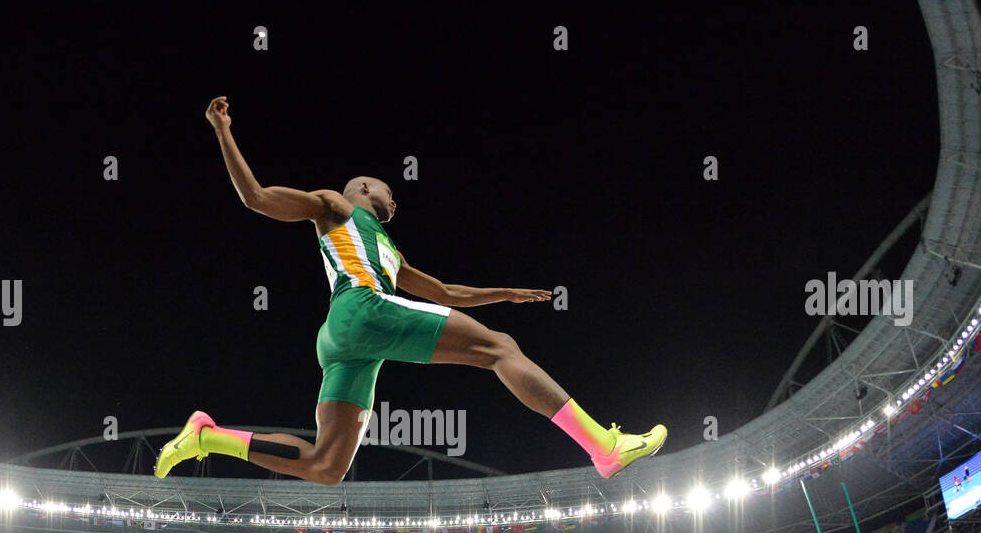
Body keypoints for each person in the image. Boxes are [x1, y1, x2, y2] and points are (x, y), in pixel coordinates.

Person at [154, 95, 667, 487]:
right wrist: (222, 131)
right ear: (362, 189)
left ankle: (209, 435)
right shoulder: (337, 205)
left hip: (343, 342)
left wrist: (502, 292)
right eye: (389, 191)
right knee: (500, 349)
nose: (394, 201)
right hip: (362, 310)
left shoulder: (389, 251)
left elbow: (444, 291)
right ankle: (603, 446)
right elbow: (257, 198)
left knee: (326, 465)